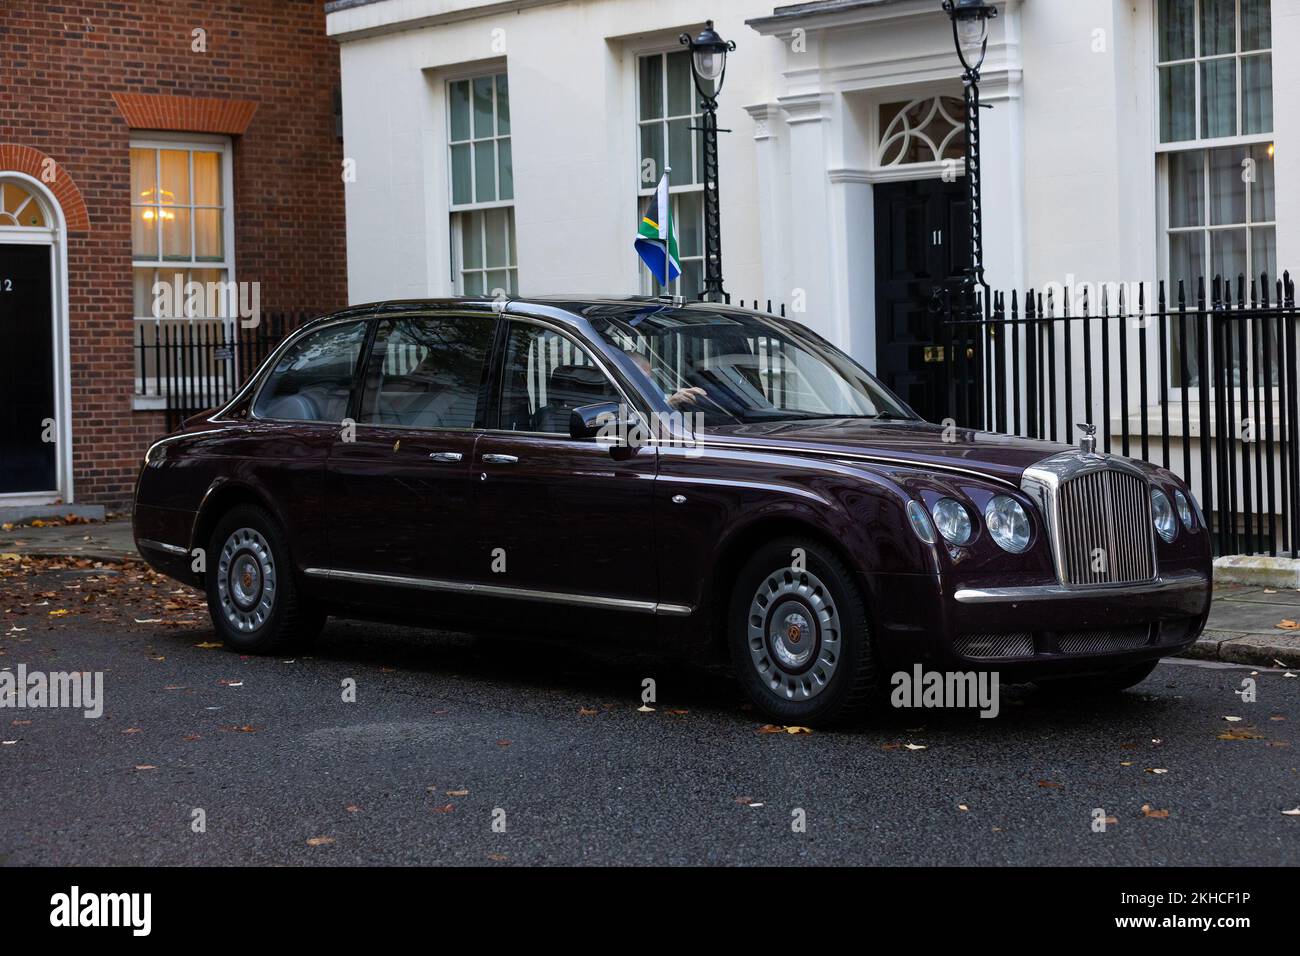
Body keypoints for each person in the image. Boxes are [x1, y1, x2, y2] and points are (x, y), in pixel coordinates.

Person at [629, 351, 708, 410]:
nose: (647, 380)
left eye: (649, 376)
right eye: (639, 375)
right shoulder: (621, 393)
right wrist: (669, 405)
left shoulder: (653, 387)